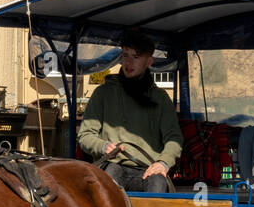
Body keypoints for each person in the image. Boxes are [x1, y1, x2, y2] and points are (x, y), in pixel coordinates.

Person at [77, 30, 182, 192]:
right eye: (125, 55)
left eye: (136, 57)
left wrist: (163, 163)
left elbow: (174, 139)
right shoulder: (103, 93)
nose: (129, 62)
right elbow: (85, 136)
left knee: (158, 185)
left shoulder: (161, 98)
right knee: (108, 184)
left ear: (149, 61)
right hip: (113, 164)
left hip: (148, 167)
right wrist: (103, 146)